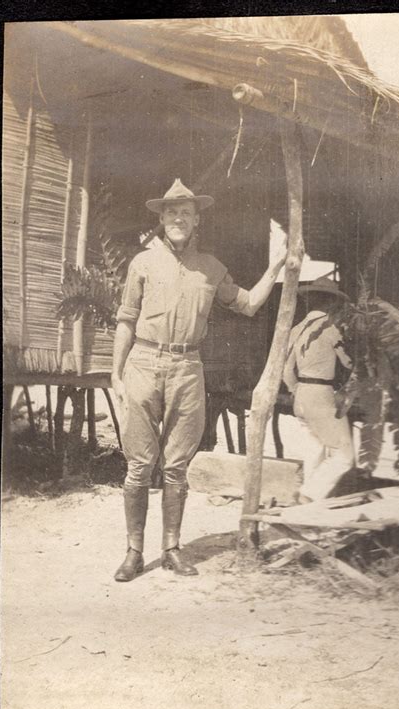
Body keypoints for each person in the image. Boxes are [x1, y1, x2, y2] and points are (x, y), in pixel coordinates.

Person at [112, 179, 285, 580]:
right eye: (171, 212)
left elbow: (248, 304)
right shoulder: (142, 263)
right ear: (161, 217)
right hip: (142, 362)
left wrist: (276, 266)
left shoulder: (211, 268)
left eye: (185, 213)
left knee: (176, 468)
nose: (177, 218)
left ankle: (171, 548)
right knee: (139, 467)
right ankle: (134, 552)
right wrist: (115, 375)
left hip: (188, 370)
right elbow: (125, 321)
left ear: (196, 220)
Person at [283, 276, 355, 503]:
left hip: (301, 395)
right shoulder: (330, 328)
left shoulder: (296, 329)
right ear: (330, 302)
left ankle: (309, 508)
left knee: (314, 450)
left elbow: (286, 370)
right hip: (321, 394)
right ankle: (309, 495)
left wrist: (295, 389)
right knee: (344, 456)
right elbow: (349, 363)